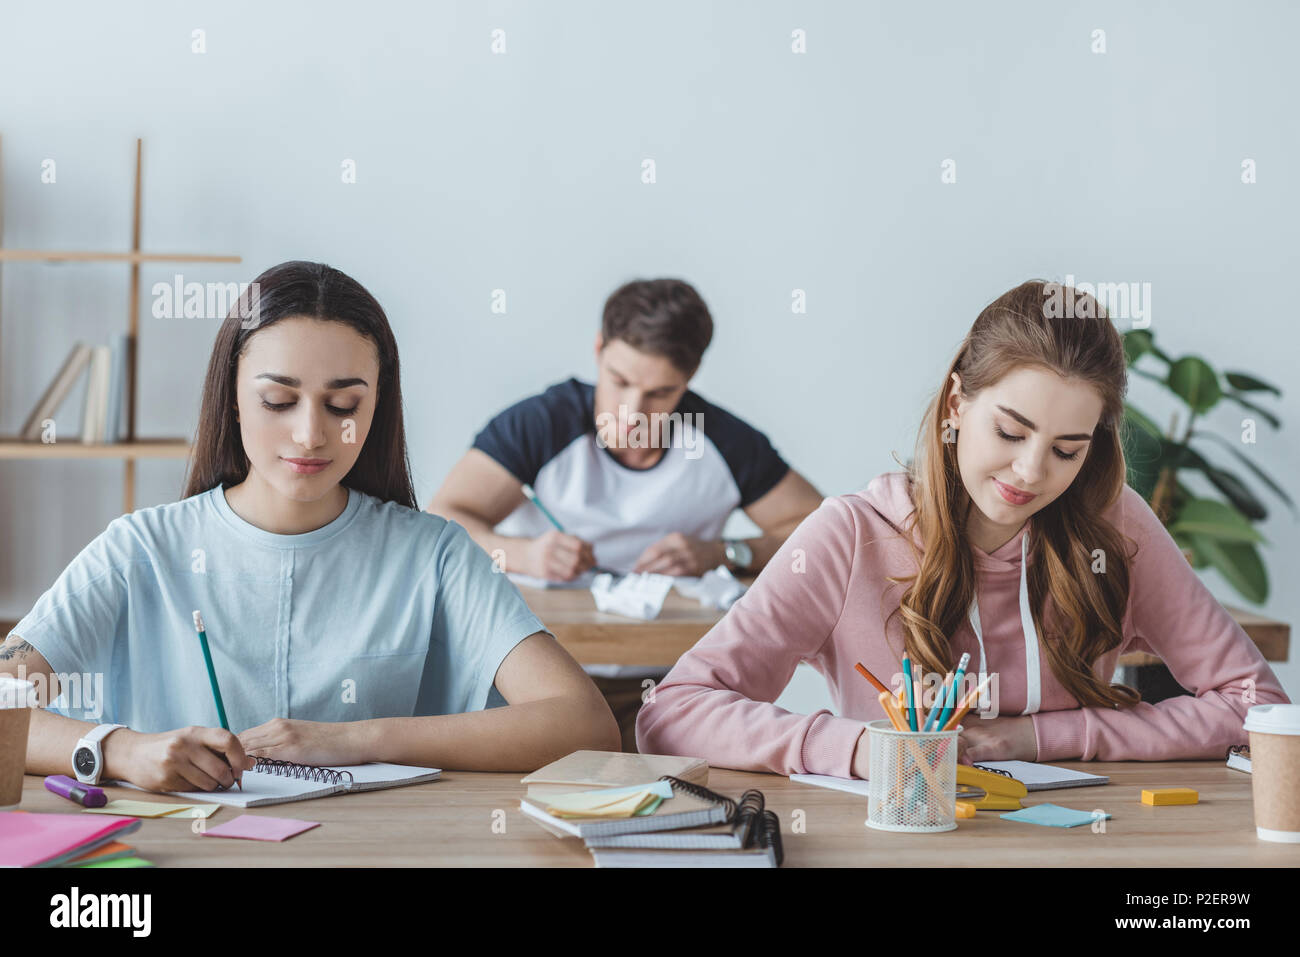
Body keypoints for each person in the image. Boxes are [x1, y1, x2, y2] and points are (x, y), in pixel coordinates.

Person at [1, 260, 618, 793]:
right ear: (233, 398)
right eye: (278, 400)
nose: (310, 434)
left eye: (343, 405)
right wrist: (121, 750)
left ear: (376, 408)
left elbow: (584, 725)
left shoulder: (434, 553)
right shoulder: (139, 548)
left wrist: (357, 739)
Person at [636, 280, 1290, 774]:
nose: (1031, 471)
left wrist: (1036, 737)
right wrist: (867, 747)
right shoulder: (850, 536)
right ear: (957, 403)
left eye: (1068, 448)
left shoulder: (1115, 528)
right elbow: (671, 712)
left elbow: (1256, 706)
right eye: (1010, 431)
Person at [430, 278, 824, 750]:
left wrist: (724, 551)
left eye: (659, 393)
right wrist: (523, 554)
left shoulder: (722, 440)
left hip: (671, 685)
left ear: (690, 376)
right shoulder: (541, 423)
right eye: (619, 382)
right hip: (540, 680)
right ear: (598, 349)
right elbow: (445, 519)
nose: (633, 413)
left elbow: (818, 531)